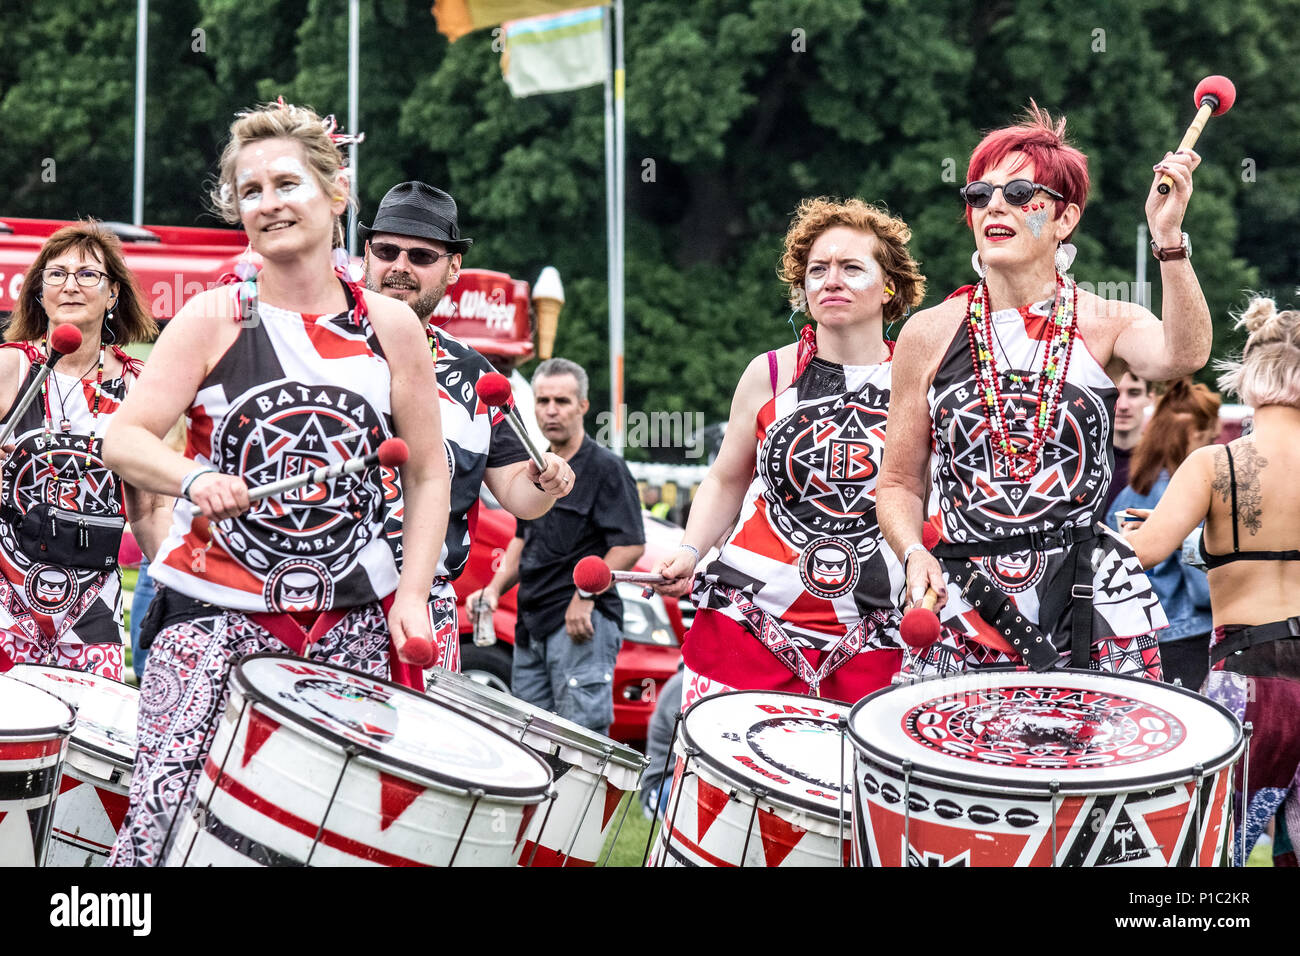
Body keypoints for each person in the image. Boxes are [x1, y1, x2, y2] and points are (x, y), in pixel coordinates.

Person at [102, 101, 450, 867]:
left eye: (287, 183)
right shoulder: (212, 317)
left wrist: (415, 594)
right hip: (213, 614)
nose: (269, 203)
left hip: (350, 623)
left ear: (335, 195)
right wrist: (194, 478)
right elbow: (123, 438)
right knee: (170, 824)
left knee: (325, 838)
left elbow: (429, 472)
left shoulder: (391, 327)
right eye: (250, 190)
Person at [878, 103, 1211, 679]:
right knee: (959, 771)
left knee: (1098, 771)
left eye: (1020, 193)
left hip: (1090, 603)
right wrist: (912, 552)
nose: (994, 206)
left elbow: (1185, 354)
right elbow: (901, 481)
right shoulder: (927, 332)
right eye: (979, 194)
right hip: (964, 608)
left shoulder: (1104, 320)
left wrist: (1169, 237)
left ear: (1063, 219)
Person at [653, 197, 925, 708]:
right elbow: (727, 479)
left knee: (851, 789)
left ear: (889, 285)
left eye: (851, 268)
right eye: (817, 269)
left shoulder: (918, 382)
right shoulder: (770, 374)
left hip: (876, 635)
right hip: (749, 623)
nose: (831, 280)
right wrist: (690, 551)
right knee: (723, 784)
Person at [360, 181, 574, 671]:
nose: (400, 267)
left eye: (421, 256)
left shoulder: (477, 376)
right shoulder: (324, 344)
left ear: (453, 266)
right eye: (387, 250)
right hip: (322, 593)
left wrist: (547, 480)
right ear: (366, 254)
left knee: (418, 749)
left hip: (426, 610)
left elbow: (521, 496)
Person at [1123, 297, 1300, 866]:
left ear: (1248, 376)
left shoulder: (1214, 464)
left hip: (1250, 679)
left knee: (1217, 850)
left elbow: (1141, 555)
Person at [0, 221, 158, 680]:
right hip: (6, 602)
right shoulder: (10, 366)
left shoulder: (138, 384)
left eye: (88, 274)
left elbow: (149, 509)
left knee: (87, 741)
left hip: (93, 613)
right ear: (38, 291)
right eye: (57, 273)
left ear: (112, 294)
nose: (70, 284)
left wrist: (179, 579)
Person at [467, 358, 644, 735]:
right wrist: (494, 590)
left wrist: (585, 597)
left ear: (582, 405)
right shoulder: (533, 465)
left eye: (562, 401)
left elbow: (630, 546)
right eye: (543, 400)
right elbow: (522, 536)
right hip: (531, 622)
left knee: (579, 743)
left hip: (580, 625)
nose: (551, 410)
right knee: (528, 738)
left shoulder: (606, 468)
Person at [1110, 378, 1219, 690]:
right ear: (1195, 436)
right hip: (1187, 636)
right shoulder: (1185, 498)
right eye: (1210, 438)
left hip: (1135, 636)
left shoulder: (1128, 492)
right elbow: (1202, 592)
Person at [1104, 369, 1154, 512]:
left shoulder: (1164, 462)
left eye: (1134, 393)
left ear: (1150, 398)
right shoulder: (1085, 459)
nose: (1123, 405)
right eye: (1115, 394)